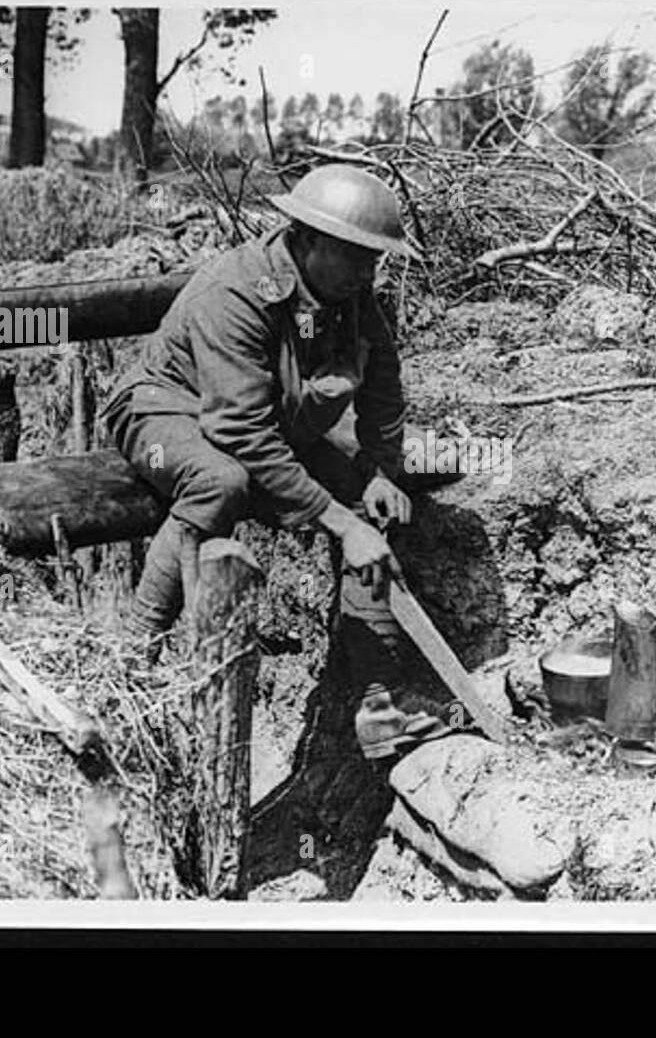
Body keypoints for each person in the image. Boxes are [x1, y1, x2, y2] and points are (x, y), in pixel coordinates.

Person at [101, 164, 446, 758]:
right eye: (358, 257)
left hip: (267, 420)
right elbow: (238, 430)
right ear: (308, 239)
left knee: (376, 504)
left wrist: (381, 472)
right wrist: (341, 522)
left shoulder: (348, 290)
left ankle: (376, 705)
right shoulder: (236, 293)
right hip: (165, 412)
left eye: (375, 260)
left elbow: (382, 382)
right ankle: (130, 660)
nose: (369, 272)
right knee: (220, 482)